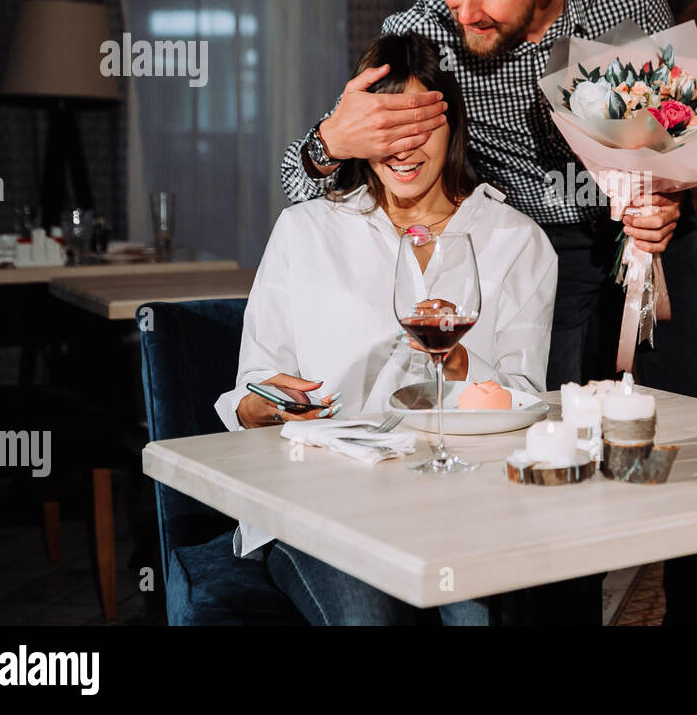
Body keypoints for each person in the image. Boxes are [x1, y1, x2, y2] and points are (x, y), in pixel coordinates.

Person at [279, 0, 697, 625]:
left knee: (675, 439)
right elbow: (303, 188)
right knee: (551, 451)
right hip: (539, 253)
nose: (465, 9)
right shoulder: (423, 31)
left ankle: (688, 609)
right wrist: (327, 139)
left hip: (651, 239)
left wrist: (668, 197)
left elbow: (680, 136)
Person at [216, 31, 558, 625]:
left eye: (419, 124)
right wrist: (269, 407)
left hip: (461, 502)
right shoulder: (306, 230)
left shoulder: (515, 241)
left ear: (454, 125)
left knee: (473, 618)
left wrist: (459, 365)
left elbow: (526, 398)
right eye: (384, 127)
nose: (402, 147)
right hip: (320, 501)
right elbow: (249, 392)